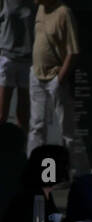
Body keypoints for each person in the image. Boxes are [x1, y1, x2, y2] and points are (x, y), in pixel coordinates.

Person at [27, 0, 75, 157]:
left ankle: (73, 171)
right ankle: (34, 166)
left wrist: (59, 79)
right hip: (36, 75)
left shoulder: (63, 12)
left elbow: (72, 51)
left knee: (65, 129)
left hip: (54, 77)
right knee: (36, 126)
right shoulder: (40, 9)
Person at [0, 0, 33, 131]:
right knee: (2, 114)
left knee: (24, 115)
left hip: (27, 59)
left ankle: (21, 147)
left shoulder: (35, 2)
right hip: (7, 58)